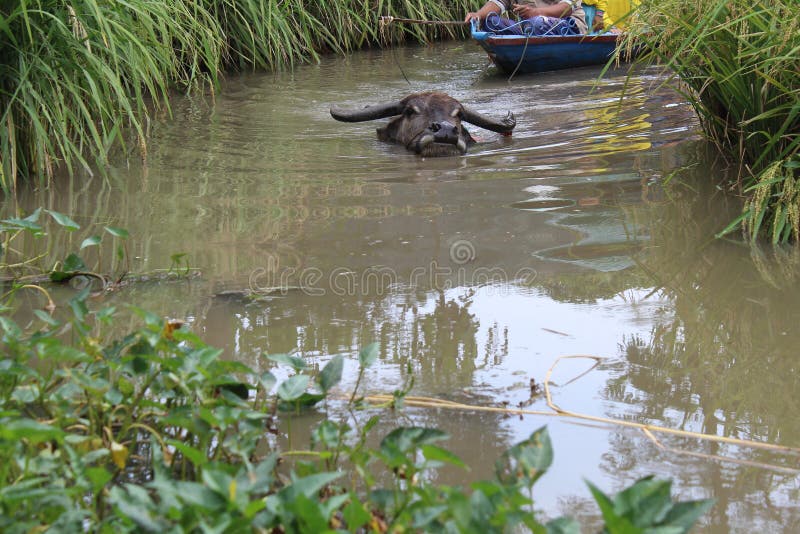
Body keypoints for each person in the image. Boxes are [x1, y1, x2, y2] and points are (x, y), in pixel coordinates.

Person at [465, 0, 588, 36]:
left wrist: (536, 12)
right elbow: (498, 2)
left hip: (568, 25)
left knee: (536, 22)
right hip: (529, 28)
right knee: (489, 22)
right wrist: (478, 15)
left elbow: (567, 7)